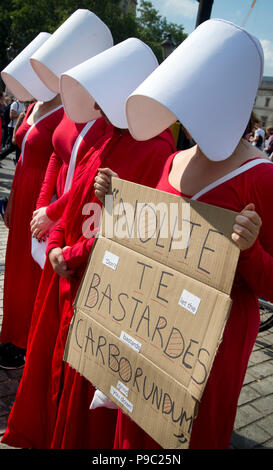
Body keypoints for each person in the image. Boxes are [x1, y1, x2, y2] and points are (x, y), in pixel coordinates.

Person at [95, 19, 273, 450]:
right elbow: (154, 240)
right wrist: (117, 203)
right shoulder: (173, 159)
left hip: (215, 340)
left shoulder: (262, 176)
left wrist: (248, 252)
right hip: (153, 321)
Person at [1, 38, 175, 450]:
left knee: (80, 384)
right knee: (54, 363)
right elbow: (77, 190)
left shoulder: (155, 147)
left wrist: (68, 251)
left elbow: (139, 226)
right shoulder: (113, 135)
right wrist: (59, 240)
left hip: (99, 282)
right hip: (70, 268)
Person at [0, 33, 64, 369]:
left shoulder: (68, 105)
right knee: (15, 267)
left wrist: (52, 210)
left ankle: (26, 341)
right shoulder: (34, 103)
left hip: (43, 196)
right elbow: (21, 149)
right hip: (22, 191)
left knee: (31, 270)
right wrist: (11, 200)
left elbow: (63, 159)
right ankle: (10, 333)